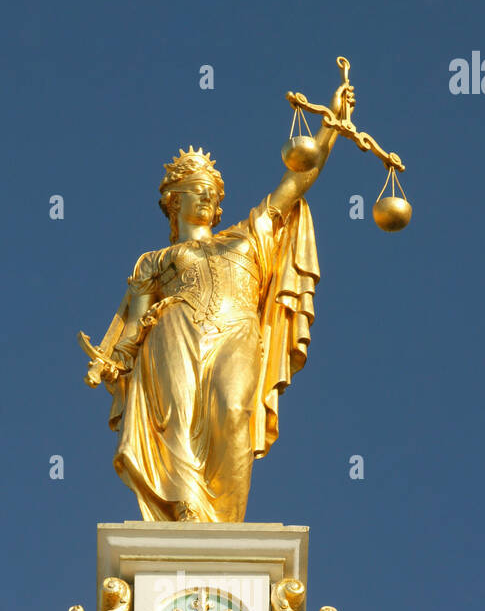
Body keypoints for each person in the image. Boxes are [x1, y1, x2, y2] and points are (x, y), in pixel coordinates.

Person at [82, 80, 352, 523]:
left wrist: (330, 129)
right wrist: (119, 359)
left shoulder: (248, 237)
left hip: (238, 330)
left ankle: (224, 523)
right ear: (174, 201)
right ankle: (184, 508)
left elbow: (297, 179)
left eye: (212, 191)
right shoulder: (155, 260)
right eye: (196, 189)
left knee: (233, 411)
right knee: (176, 417)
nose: (207, 196)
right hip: (173, 330)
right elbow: (133, 321)